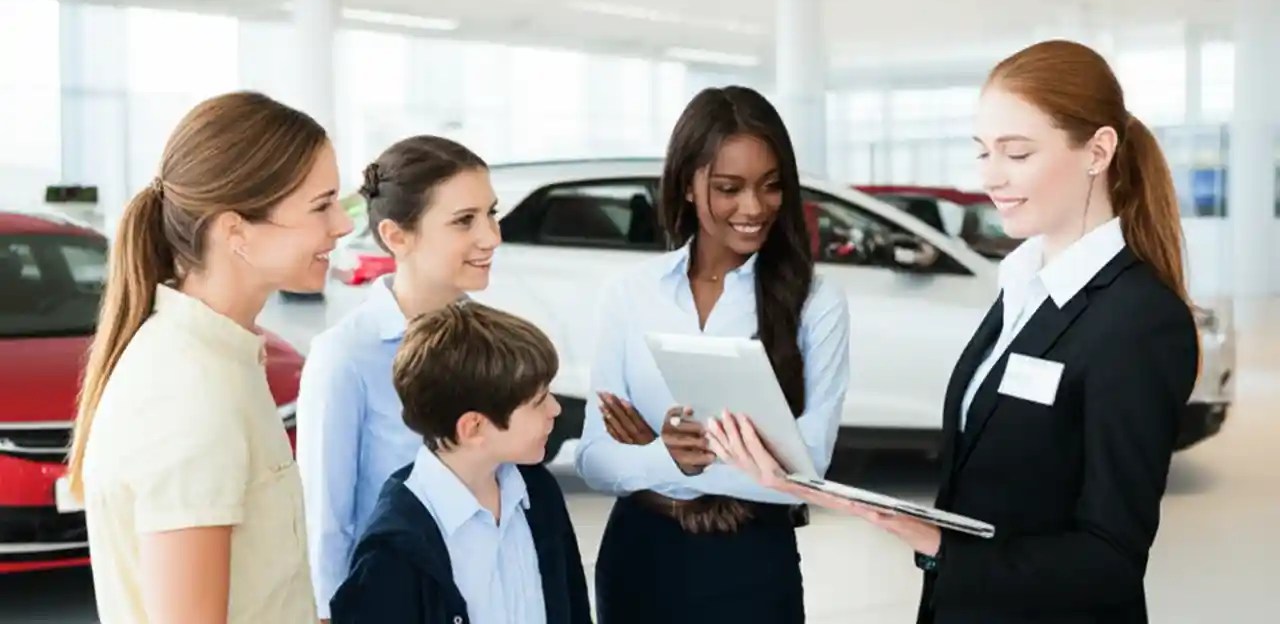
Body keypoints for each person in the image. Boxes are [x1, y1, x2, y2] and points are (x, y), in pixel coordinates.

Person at [706, 39, 1200, 624]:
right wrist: (812, 487)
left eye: (1017, 154)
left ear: (1098, 151)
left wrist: (935, 543)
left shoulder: (1140, 320)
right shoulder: (1022, 284)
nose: (992, 177)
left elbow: (1110, 559)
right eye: (983, 152)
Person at [66, 91, 354, 623]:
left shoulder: (221, 358)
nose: (342, 224)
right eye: (321, 205)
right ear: (235, 230)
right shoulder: (189, 390)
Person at [575, 85, 851, 624]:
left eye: (771, 187)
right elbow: (593, 458)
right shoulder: (630, 294)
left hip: (750, 564)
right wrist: (687, 457)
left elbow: (810, 465)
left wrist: (654, 457)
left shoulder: (816, 302)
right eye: (729, 188)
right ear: (685, 187)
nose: (754, 208)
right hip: (639, 559)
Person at [296, 136, 500, 620]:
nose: (490, 237)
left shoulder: (494, 342)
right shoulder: (346, 356)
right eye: (464, 221)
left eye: (492, 214)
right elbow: (326, 519)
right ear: (396, 236)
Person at [328, 301, 591, 624]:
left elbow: (574, 607)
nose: (555, 409)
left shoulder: (539, 493)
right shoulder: (393, 552)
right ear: (473, 428)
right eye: (538, 401)